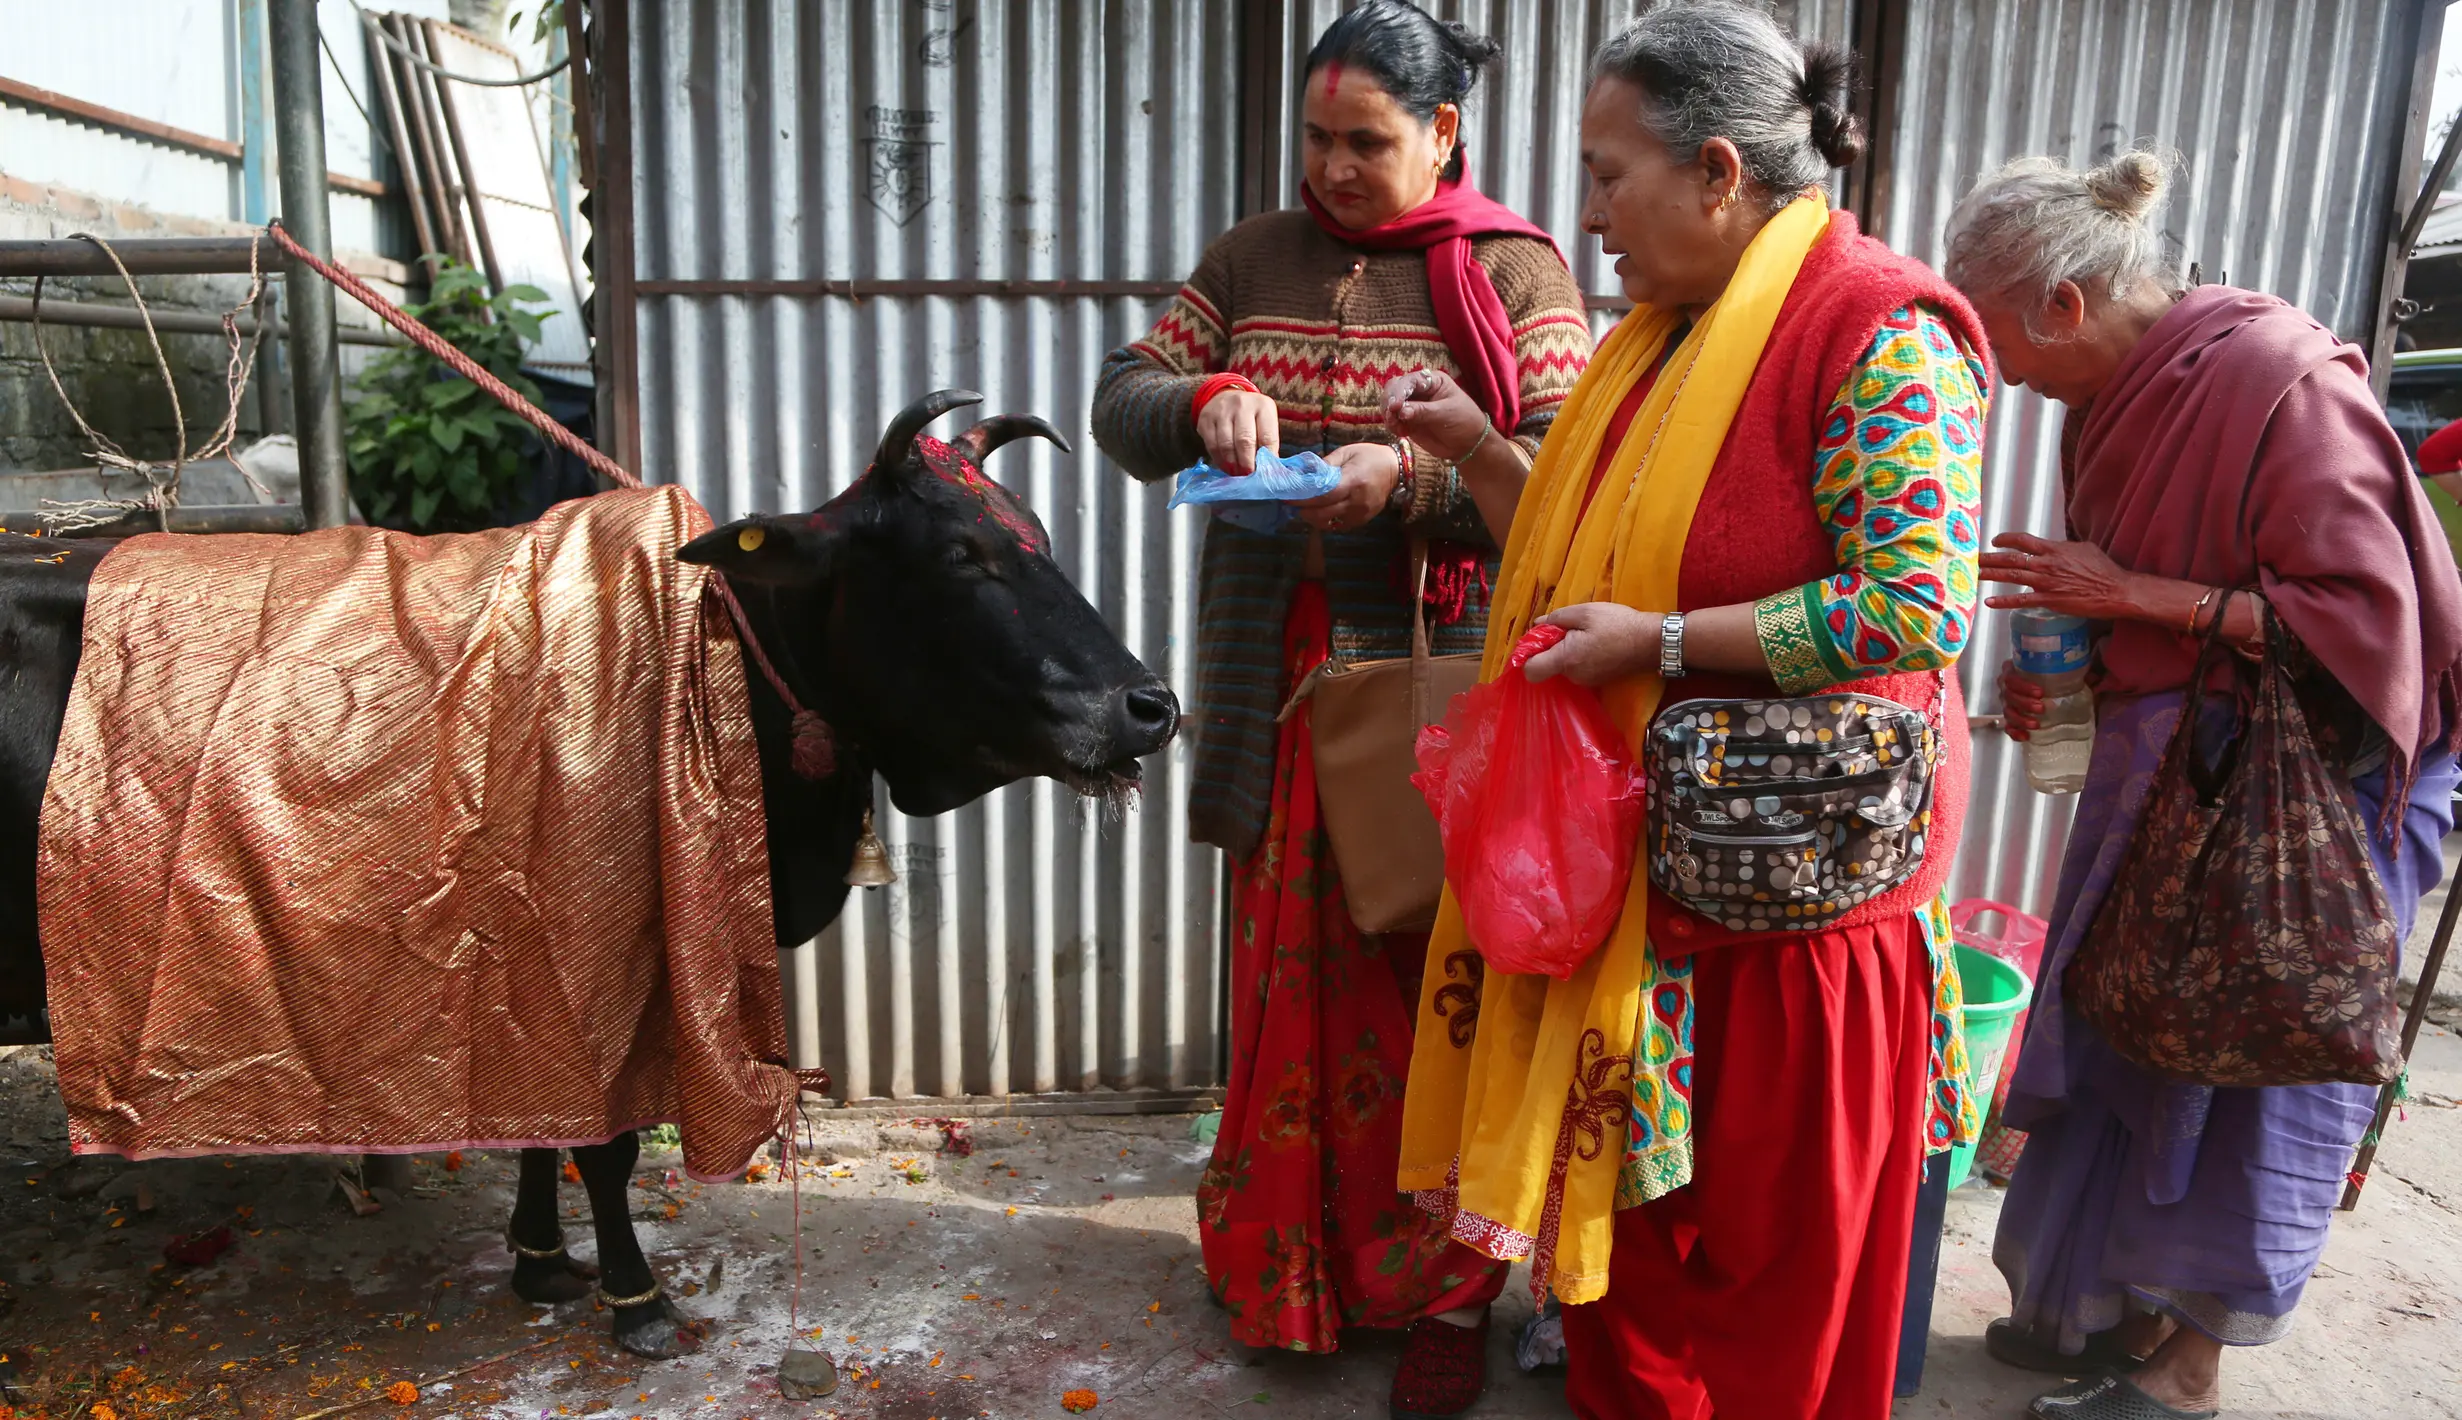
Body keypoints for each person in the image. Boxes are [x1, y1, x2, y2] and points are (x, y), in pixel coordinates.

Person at [1380, 5, 1988, 1416]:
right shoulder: (1657, 342)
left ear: (1717, 173)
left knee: (1762, 1305)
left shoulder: (1876, 333)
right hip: (1645, 906)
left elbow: (1912, 608)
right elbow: (1591, 562)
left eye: (1606, 174)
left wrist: (1659, 640)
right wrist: (1479, 449)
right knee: (1638, 1299)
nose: (1586, 213)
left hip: (1783, 930)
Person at [1088, 5, 1593, 1415]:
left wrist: (1413, 482)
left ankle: (1445, 1300)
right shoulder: (1251, 255)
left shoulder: (1515, 266)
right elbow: (1118, 398)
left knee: (1440, 989)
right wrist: (1205, 402)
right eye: (1315, 137)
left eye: (1365, 140)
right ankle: (1283, 1272)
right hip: (1278, 675)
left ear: (1442, 133)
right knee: (1283, 983)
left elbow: (1559, 473)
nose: (1333, 165)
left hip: (1435, 682)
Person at [1950, 150, 2462, 1420]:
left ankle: (2186, 1373)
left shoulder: (2276, 381)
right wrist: (2068, 683)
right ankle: (2096, 1311)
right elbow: (2134, 604)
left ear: (2064, 306)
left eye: (2001, 342)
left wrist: (2125, 598)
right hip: (2169, 770)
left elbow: (2363, 621)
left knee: (2233, 1074)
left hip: (2293, 803)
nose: (2000, 377)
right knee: (2125, 1035)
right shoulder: (2111, 395)